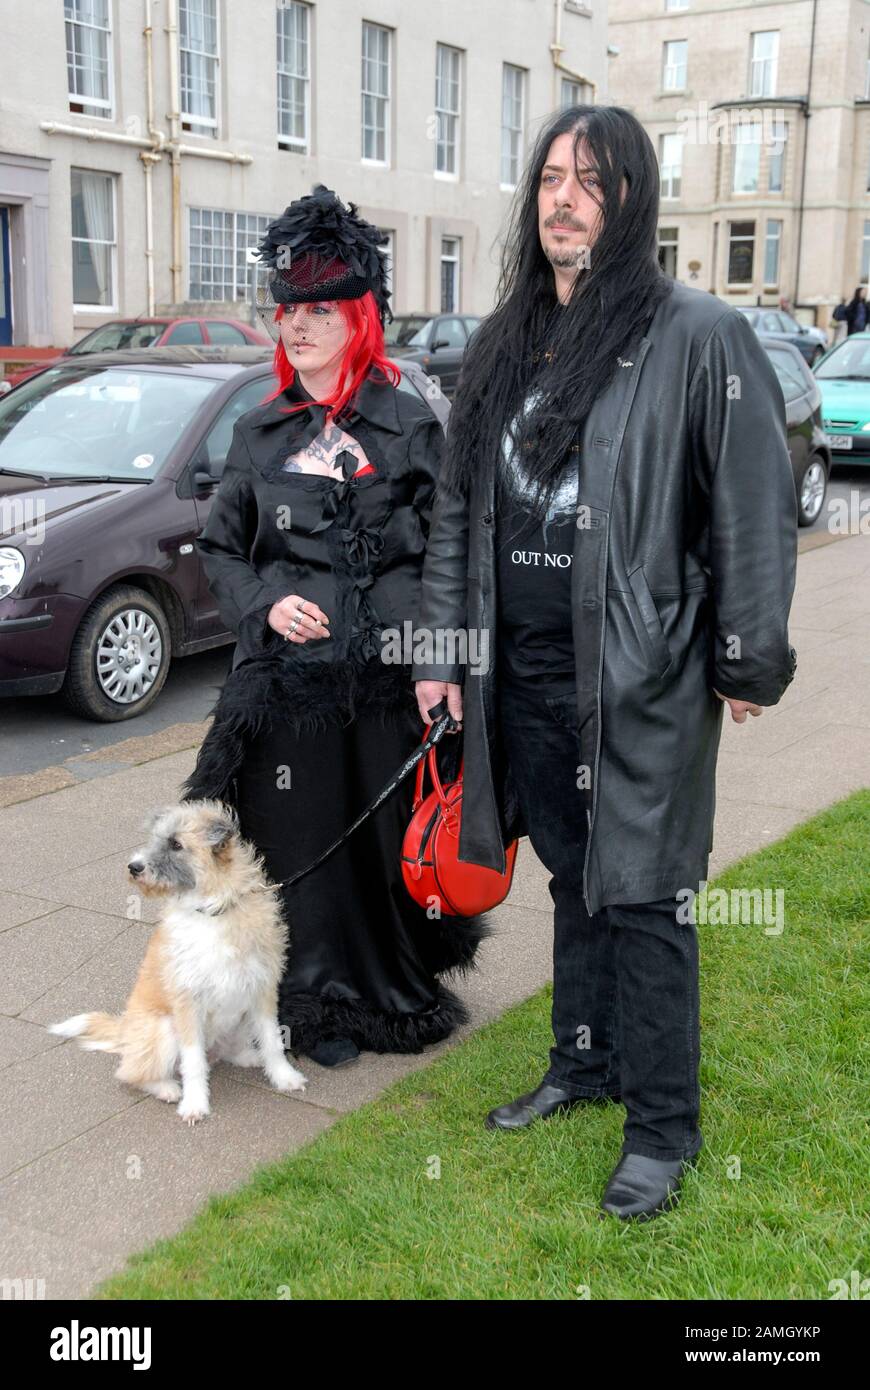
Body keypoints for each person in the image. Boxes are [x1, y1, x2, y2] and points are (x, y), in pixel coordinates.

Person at [413, 106, 797, 1219]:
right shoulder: (509, 337)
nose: (563, 199)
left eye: (590, 180)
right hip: (522, 672)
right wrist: (440, 648)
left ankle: (663, 1130)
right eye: (548, 180)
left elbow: (753, 510)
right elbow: (454, 512)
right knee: (575, 880)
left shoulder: (698, 335)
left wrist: (747, 658)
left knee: (650, 898)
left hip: (643, 674)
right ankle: (583, 1065)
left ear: (631, 200)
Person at [184, 186, 486, 1069]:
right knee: (298, 838)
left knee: (382, 844)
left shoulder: (408, 424)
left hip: (391, 676)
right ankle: (308, 1000)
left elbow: (448, 556)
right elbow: (220, 545)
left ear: (359, 317)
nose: (299, 326)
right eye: (289, 310)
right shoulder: (259, 430)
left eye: (320, 309)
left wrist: (439, 660)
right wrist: (265, 605)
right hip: (291, 686)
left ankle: (382, 993)